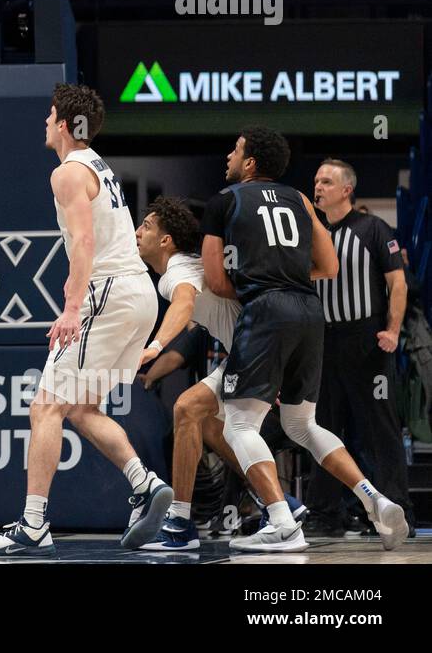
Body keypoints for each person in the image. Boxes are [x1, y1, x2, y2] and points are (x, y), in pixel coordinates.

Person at [0, 84, 171, 557]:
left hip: (107, 292)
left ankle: (34, 523)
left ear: (63, 124)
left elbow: (83, 243)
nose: (44, 122)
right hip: (137, 294)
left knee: (45, 407)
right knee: (82, 408)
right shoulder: (98, 165)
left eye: (49, 115)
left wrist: (70, 309)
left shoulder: (67, 172)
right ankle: (143, 484)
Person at [199, 126, 407, 551]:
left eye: (235, 150)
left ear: (250, 162)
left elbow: (216, 281)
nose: (229, 156)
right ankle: (374, 498)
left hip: (267, 312)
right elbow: (329, 267)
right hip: (311, 313)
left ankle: (282, 522)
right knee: (302, 423)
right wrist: (288, 274)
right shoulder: (298, 200)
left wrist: (262, 280)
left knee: (237, 425)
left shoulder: (225, 200)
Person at [132, 196, 305, 550]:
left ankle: (181, 523)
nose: (137, 232)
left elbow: (183, 303)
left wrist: (155, 345)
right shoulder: (187, 266)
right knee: (206, 422)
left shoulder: (177, 271)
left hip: (259, 349)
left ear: (166, 241)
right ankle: (281, 504)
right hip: (262, 348)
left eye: (146, 226)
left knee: (186, 408)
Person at [305, 158, 414, 536]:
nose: (318, 187)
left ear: (346, 189)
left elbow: (397, 284)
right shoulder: (312, 232)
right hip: (325, 342)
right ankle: (325, 513)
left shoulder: (373, 228)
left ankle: (398, 511)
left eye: (327, 181)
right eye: (317, 181)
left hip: (365, 341)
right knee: (322, 428)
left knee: (379, 429)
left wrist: (392, 331)